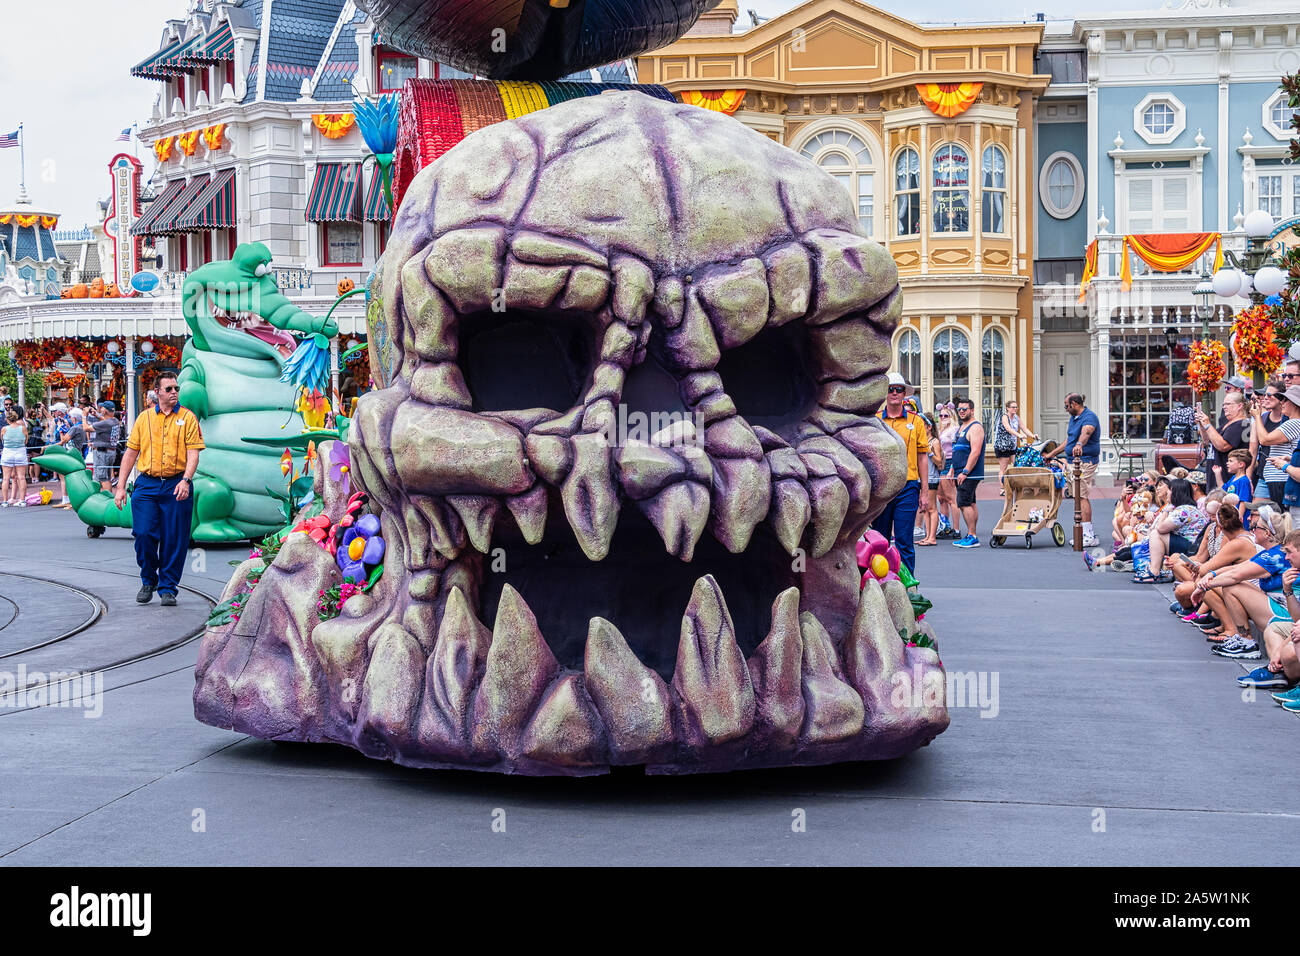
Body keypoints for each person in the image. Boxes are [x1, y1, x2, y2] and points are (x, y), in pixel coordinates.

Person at [115, 371, 205, 606]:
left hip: (177, 482)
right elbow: (131, 453)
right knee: (143, 533)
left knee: (174, 538)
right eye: (169, 389)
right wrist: (121, 486)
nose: (174, 392)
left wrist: (186, 480)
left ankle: (168, 588)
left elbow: (193, 453)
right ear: (158, 392)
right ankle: (148, 579)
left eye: (176, 388)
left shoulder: (188, 418)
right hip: (147, 483)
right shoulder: (144, 419)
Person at [1192, 505, 1292, 658]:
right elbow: (1238, 568)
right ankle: (1242, 637)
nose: (1251, 528)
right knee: (1229, 584)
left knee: (1231, 586)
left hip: (1284, 614)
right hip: (1278, 608)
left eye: (1256, 527)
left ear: (1266, 533)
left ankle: (1246, 641)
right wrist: (1212, 574)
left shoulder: (1274, 556)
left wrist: (1204, 585)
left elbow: (1236, 576)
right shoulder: (1272, 552)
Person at [872, 372, 928, 572]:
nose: (894, 393)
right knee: (880, 540)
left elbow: (922, 456)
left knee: (904, 540)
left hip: (908, 486)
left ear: (905, 394)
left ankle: (908, 588)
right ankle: (878, 586)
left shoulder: (916, 421)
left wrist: (925, 491)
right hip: (882, 487)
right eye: (890, 389)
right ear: (884, 393)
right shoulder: (875, 420)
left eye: (899, 389)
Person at [1046, 392, 1100, 547]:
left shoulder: (1089, 417)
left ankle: (1088, 535)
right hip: (1072, 461)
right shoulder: (1074, 418)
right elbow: (1069, 439)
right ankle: (1084, 532)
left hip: (1084, 462)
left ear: (1075, 404)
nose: (1065, 409)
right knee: (1076, 496)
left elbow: (1086, 432)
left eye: (1067, 406)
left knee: (1081, 496)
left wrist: (1079, 445)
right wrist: (1052, 453)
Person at [1251, 384, 1300, 511]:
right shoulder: (1292, 422)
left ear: (1294, 404)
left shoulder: (1294, 423)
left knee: (1282, 519)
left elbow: (1264, 440)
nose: (1282, 403)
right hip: (1277, 477)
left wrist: (1257, 416)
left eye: (1285, 400)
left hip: (1281, 478)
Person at [946, 394, 985, 548]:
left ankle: (972, 535)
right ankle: (971, 533)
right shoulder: (962, 427)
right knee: (971, 502)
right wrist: (952, 469)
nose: (961, 411)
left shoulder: (975, 427)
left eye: (964, 409)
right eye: (959, 409)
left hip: (969, 473)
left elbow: (975, 452)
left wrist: (965, 471)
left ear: (972, 410)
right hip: (959, 471)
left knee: (963, 503)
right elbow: (957, 450)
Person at [1196, 390, 1248, 490]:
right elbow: (1208, 441)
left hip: (1227, 478)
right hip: (1214, 475)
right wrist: (1202, 425)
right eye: (1224, 404)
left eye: (1228, 404)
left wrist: (1207, 424)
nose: (1224, 407)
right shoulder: (1227, 424)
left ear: (1239, 406)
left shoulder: (1242, 424)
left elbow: (1222, 446)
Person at [993, 398, 1036, 493]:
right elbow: (1008, 428)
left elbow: (1024, 428)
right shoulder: (1004, 417)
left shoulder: (1016, 417)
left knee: (1017, 465)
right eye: (1013, 407)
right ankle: (1002, 488)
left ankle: (1019, 486)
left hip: (1012, 445)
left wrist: (1033, 436)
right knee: (1003, 467)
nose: (1015, 409)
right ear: (1007, 408)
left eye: (1016, 407)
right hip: (1002, 445)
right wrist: (1019, 435)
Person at [918, 412, 945, 547]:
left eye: (922, 425)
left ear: (928, 427)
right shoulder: (921, 441)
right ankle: (927, 536)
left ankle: (932, 537)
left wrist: (930, 452)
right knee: (925, 508)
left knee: (932, 507)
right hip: (921, 478)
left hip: (931, 478)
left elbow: (939, 461)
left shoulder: (934, 442)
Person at [934, 403, 960, 539]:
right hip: (939, 463)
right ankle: (945, 526)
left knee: (951, 498)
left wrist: (952, 468)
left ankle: (956, 529)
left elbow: (956, 450)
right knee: (941, 499)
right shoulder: (940, 430)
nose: (943, 417)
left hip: (949, 462)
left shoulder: (955, 429)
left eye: (946, 415)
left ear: (952, 416)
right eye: (941, 415)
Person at [90, 401, 120, 492]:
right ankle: (108, 499)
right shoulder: (114, 421)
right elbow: (106, 421)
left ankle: (109, 500)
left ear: (105, 411)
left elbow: (86, 428)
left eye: (102, 408)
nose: (100, 409)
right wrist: (97, 415)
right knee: (106, 477)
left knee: (102, 478)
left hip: (102, 452)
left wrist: (84, 416)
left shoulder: (107, 423)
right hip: (109, 451)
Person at [1, 405, 29, 507]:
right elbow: (26, 441)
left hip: (8, 452)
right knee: (21, 477)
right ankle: (22, 500)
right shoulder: (23, 428)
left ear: (7, 419)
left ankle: (5, 501)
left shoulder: (4, 429)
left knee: (6, 478)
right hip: (20, 452)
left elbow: (3, 441)